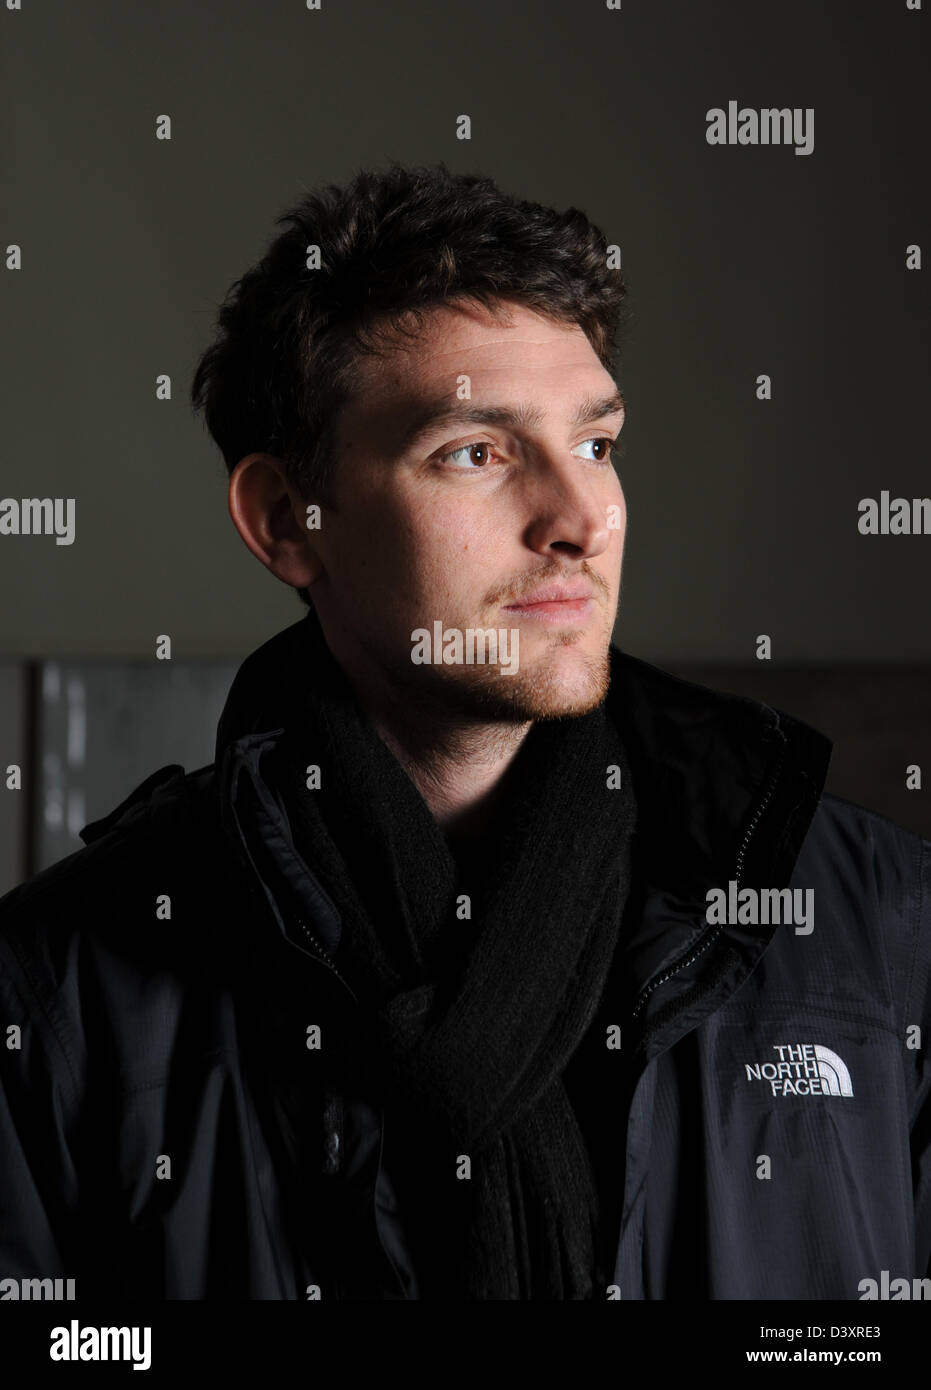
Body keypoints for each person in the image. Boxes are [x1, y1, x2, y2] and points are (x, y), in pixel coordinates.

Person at [0, 162, 928, 1301]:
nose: (582, 517)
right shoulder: (58, 992)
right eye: (475, 452)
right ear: (290, 521)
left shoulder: (882, 928)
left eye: (595, 442)